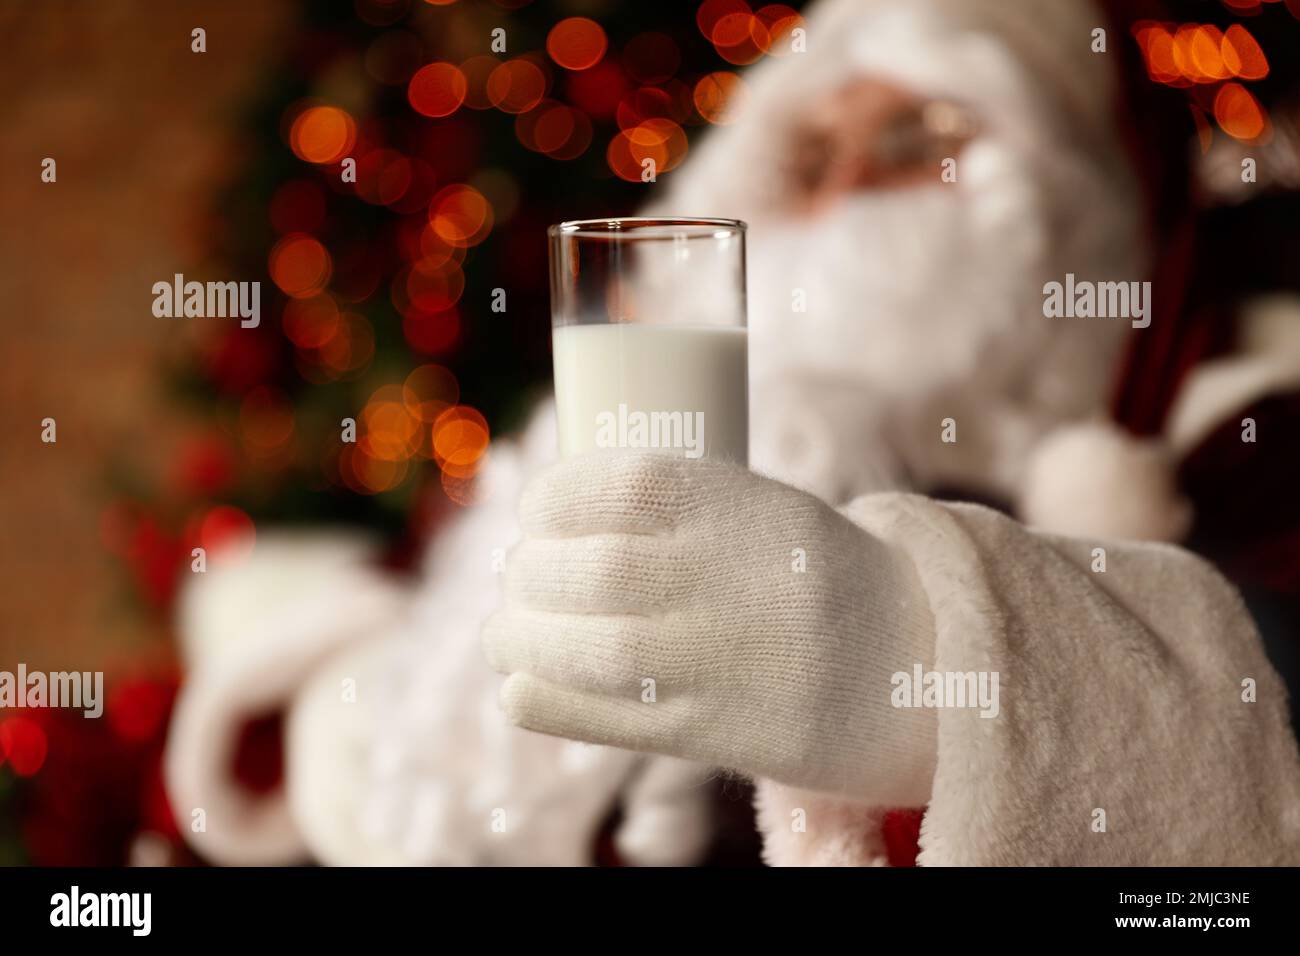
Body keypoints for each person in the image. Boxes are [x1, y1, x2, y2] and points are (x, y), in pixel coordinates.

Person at [165, 0, 1300, 865]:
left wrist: (924, 665)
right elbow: (359, 631)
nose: (848, 174)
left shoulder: (1219, 450)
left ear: (1073, 215)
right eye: (808, 159)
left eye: (912, 142)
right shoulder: (577, 445)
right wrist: (352, 716)